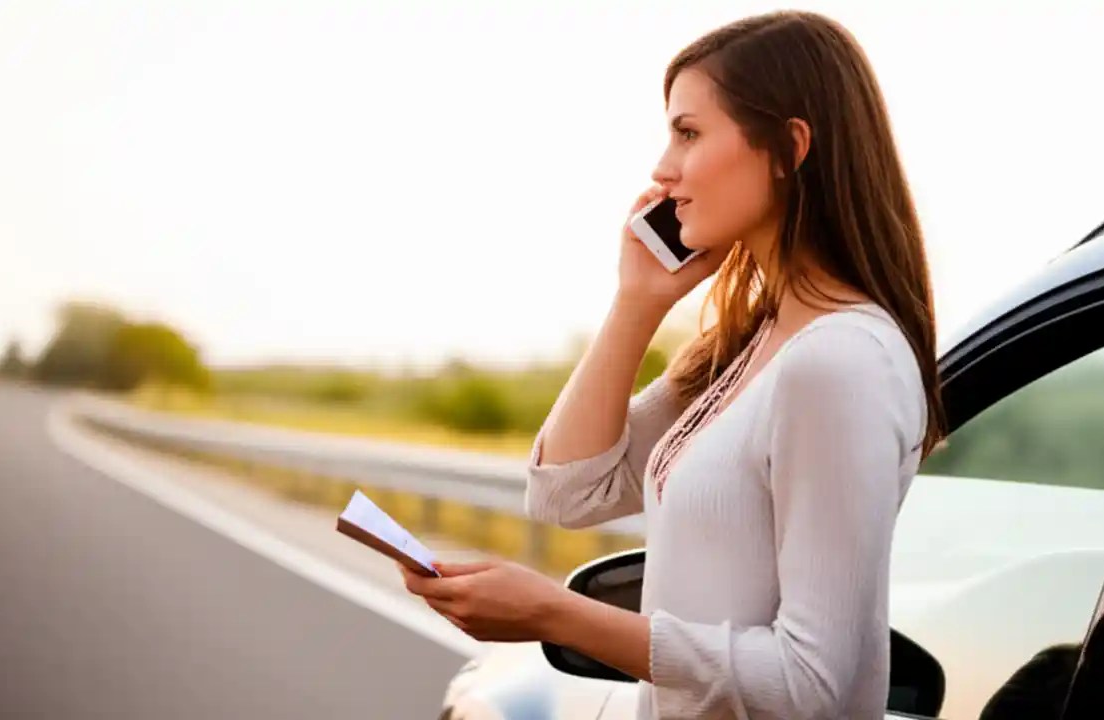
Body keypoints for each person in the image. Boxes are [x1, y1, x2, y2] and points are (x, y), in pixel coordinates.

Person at [400, 9, 945, 719]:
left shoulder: (840, 363)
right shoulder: (752, 345)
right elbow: (567, 492)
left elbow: (811, 684)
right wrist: (637, 302)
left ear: (789, 146)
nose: (663, 169)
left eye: (688, 132)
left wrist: (556, 616)